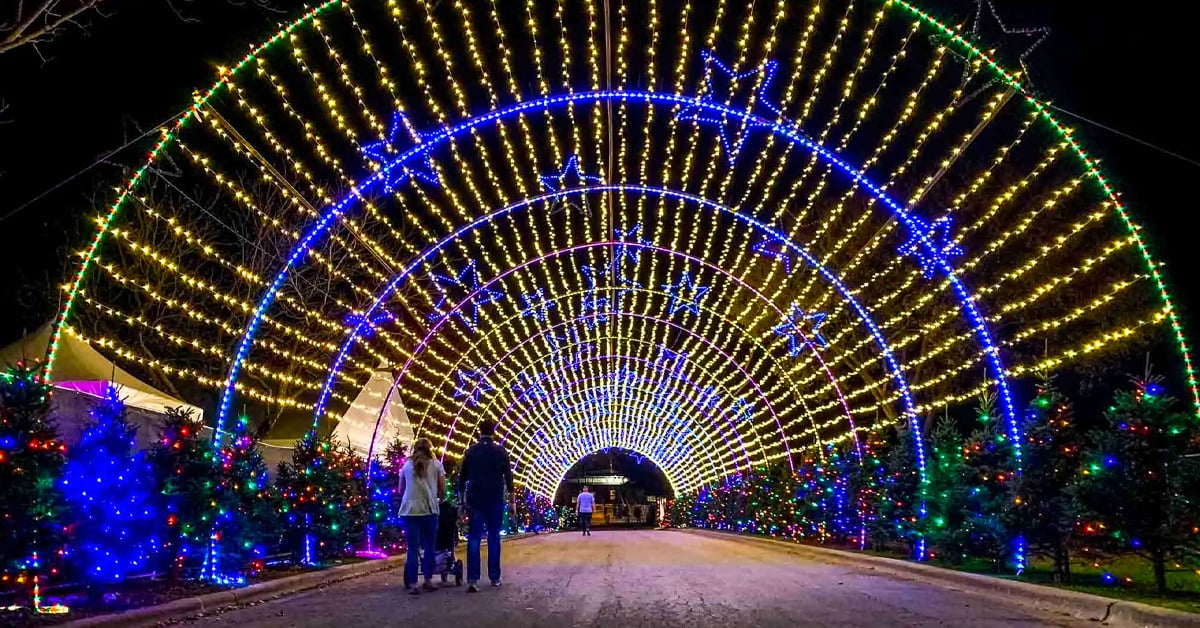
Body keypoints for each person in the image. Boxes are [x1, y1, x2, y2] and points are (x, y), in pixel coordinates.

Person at [456, 420, 514, 593]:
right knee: (494, 536)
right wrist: (512, 502)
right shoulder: (500, 451)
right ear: (493, 432)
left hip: (475, 499)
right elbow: (508, 477)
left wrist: (461, 502)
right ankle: (494, 577)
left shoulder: (471, 451)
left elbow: (461, 479)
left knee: (474, 537)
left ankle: (473, 579)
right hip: (495, 498)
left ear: (479, 432)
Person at [397, 438, 446, 595]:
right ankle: (428, 580)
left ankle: (413, 583)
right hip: (429, 510)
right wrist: (439, 499)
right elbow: (442, 489)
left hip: (410, 511)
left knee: (412, 548)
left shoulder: (406, 466)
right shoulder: (436, 465)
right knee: (429, 547)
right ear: (430, 449)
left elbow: (400, 489)